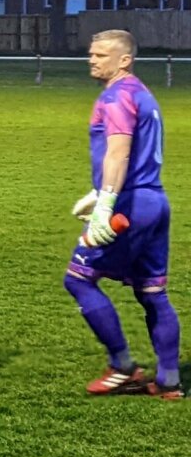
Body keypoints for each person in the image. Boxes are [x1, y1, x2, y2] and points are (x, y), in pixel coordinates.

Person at [65, 30, 179, 399]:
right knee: (152, 293)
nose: (92, 59)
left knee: (78, 279)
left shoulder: (116, 97)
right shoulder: (142, 93)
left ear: (124, 60)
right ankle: (169, 380)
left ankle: (123, 366)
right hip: (153, 201)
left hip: (129, 206)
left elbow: (119, 152)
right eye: (91, 53)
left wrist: (106, 203)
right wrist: (98, 191)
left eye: (100, 54)